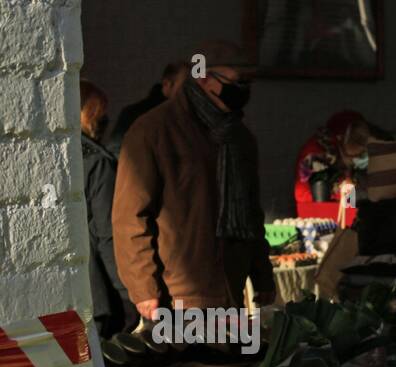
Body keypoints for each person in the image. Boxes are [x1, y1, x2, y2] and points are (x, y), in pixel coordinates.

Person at [113, 40, 275, 325]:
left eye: (249, 81)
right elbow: (130, 215)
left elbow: (251, 212)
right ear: (204, 77)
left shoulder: (239, 137)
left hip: (229, 289)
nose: (244, 90)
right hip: (175, 293)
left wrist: (262, 275)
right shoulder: (154, 130)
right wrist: (144, 289)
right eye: (238, 81)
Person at [80, 81, 137, 340]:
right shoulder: (97, 163)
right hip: (97, 290)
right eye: (100, 112)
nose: (104, 120)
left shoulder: (48, 156)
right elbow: (107, 233)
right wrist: (130, 293)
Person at [294, 110, 372, 212]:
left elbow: (350, 199)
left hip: (342, 213)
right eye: (357, 154)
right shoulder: (315, 154)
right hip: (317, 214)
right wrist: (338, 195)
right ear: (341, 139)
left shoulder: (346, 154)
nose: (360, 157)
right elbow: (302, 195)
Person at [107, 61, 185, 154]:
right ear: (167, 84)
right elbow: (117, 151)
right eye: (185, 85)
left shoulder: (184, 118)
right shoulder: (136, 114)